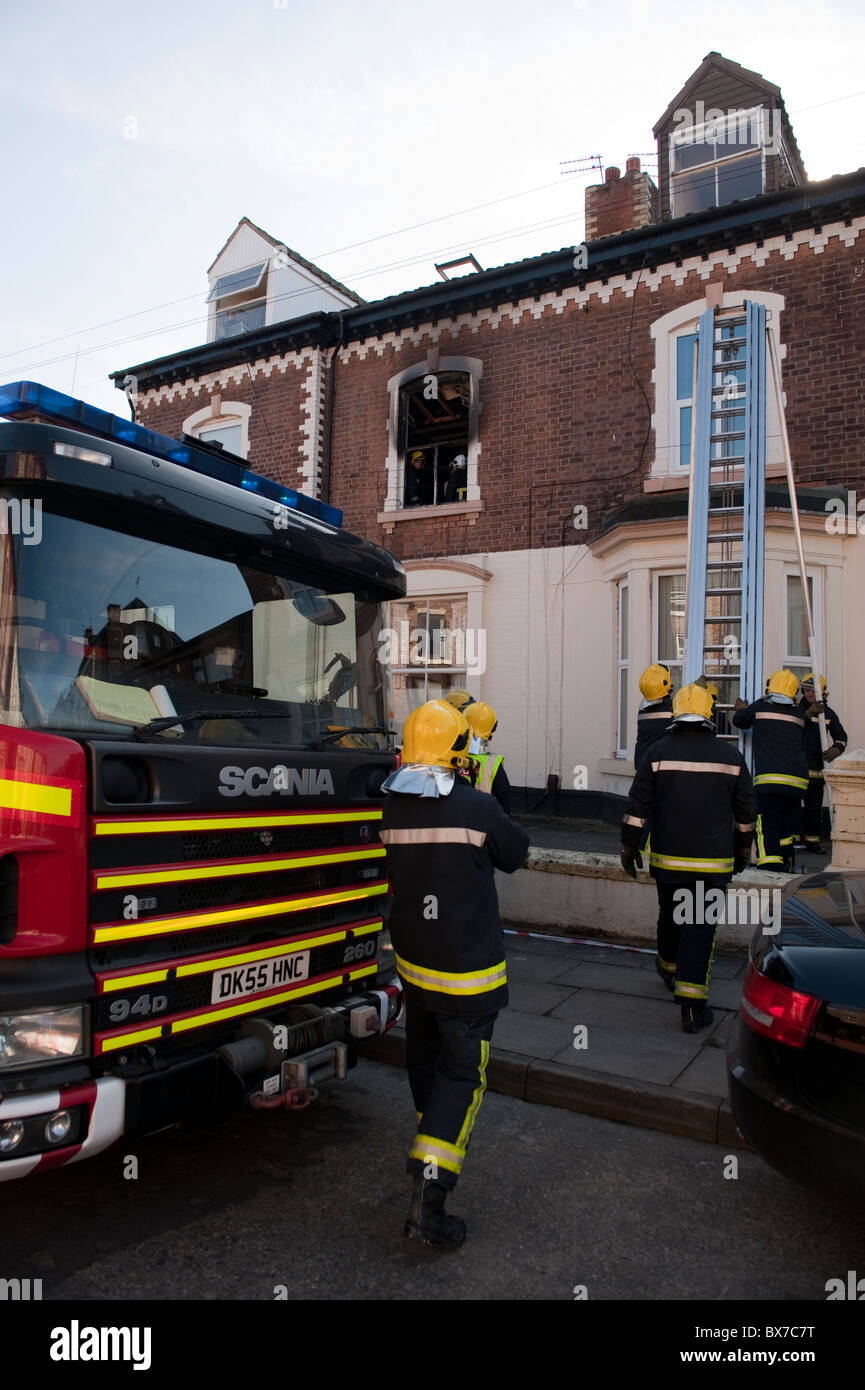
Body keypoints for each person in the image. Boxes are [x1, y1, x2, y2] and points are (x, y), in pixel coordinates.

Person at [379, 700, 530, 1249]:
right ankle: (430, 1198)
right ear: (457, 751)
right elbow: (517, 852)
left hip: (416, 970)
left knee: (425, 1061)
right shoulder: (477, 807)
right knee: (463, 1076)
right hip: (468, 976)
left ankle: (429, 1136)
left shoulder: (392, 809)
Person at [621, 682, 756, 1032]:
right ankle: (692, 1007)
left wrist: (629, 847)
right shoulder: (731, 757)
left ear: (676, 713)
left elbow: (637, 808)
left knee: (670, 915)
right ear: (710, 715)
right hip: (711, 863)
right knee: (699, 928)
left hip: (668, 860)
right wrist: (742, 849)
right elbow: (745, 815)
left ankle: (668, 969)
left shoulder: (657, 753)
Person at [732, 669, 808, 872]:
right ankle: (786, 861)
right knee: (785, 828)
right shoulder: (799, 713)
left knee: (766, 825)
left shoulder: (760, 706)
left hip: (770, 781)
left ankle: (770, 868)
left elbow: (740, 721)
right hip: (797, 783)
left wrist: (740, 709)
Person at [798, 673, 847, 854]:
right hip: (797, 769)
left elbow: (842, 738)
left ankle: (813, 842)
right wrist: (807, 714)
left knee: (814, 810)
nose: (809, 694)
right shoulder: (797, 709)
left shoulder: (829, 714)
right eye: (807, 689)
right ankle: (792, 842)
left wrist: (835, 750)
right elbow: (792, 726)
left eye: (813, 690)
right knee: (793, 808)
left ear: (822, 692)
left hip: (817, 771)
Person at [463, 700, 511, 814]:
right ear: (491, 730)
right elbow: (505, 809)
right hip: (482, 828)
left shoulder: (448, 760)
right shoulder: (492, 765)